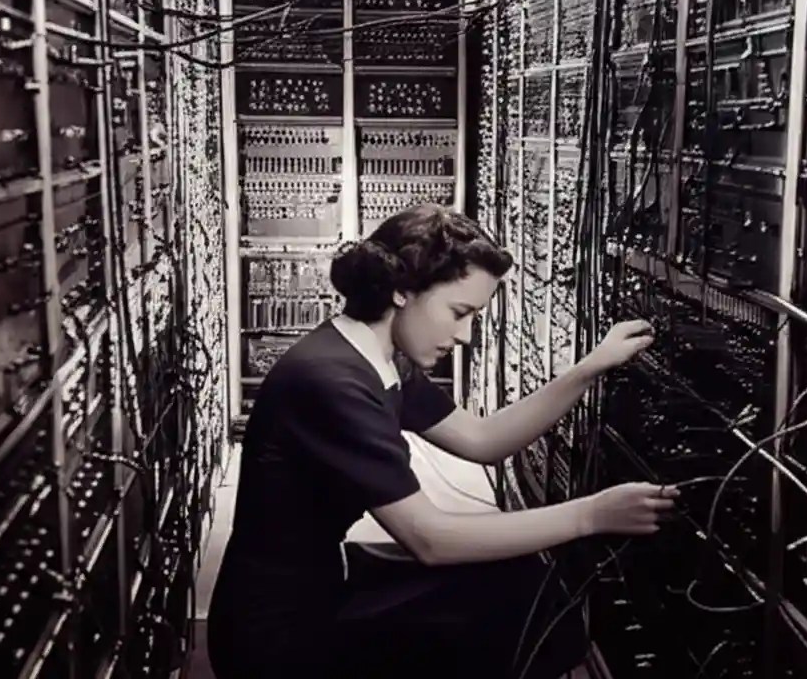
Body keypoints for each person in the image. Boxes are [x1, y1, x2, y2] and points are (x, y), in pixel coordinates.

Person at [207, 203, 680, 679]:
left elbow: (484, 438)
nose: (466, 335)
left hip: (322, 583)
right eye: (460, 312)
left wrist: (592, 366)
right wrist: (590, 515)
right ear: (401, 291)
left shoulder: (376, 360)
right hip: (278, 635)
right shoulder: (333, 381)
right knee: (519, 608)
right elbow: (429, 538)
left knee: (520, 583)